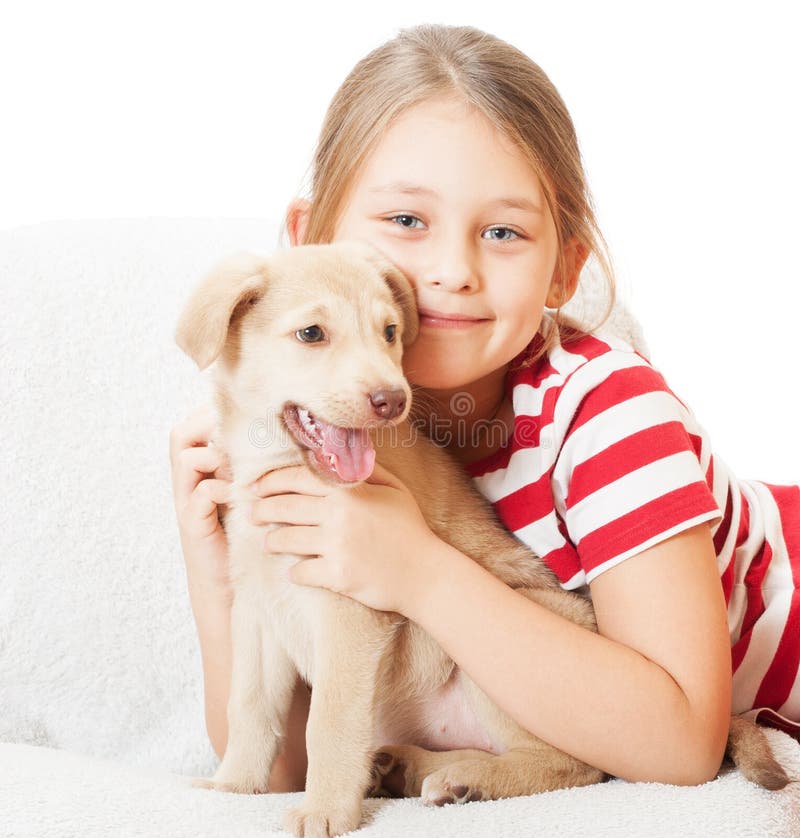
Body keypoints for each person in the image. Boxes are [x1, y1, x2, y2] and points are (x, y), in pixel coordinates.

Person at [169, 24, 800, 793]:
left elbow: (680, 745)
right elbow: (278, 768)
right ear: (311, 240)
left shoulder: (612, 416)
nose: (452, 271)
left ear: (563, 269)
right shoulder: (321, 424)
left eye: (502, 231)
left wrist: (419, 571)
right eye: (406, 221)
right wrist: (220, 567)